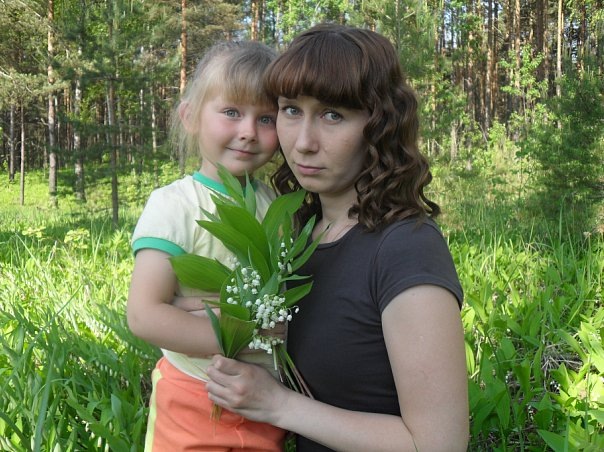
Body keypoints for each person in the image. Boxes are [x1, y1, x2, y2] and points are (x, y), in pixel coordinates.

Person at [204, 24, 469, 451]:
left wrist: (279, 405)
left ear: (380, 125)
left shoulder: (406, 250)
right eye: (291, 110)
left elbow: (439, 445)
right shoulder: (297, 233)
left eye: (333, 115)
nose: (304, 143)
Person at [127, 41, 286, 451]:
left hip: (265, 401)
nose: (248, 131)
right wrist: (247, 333)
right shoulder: (176, 204)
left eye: (265, 118)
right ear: (191, 116)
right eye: (231, 112)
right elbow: (144, 315)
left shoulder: (276, 206)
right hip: (192, 394)